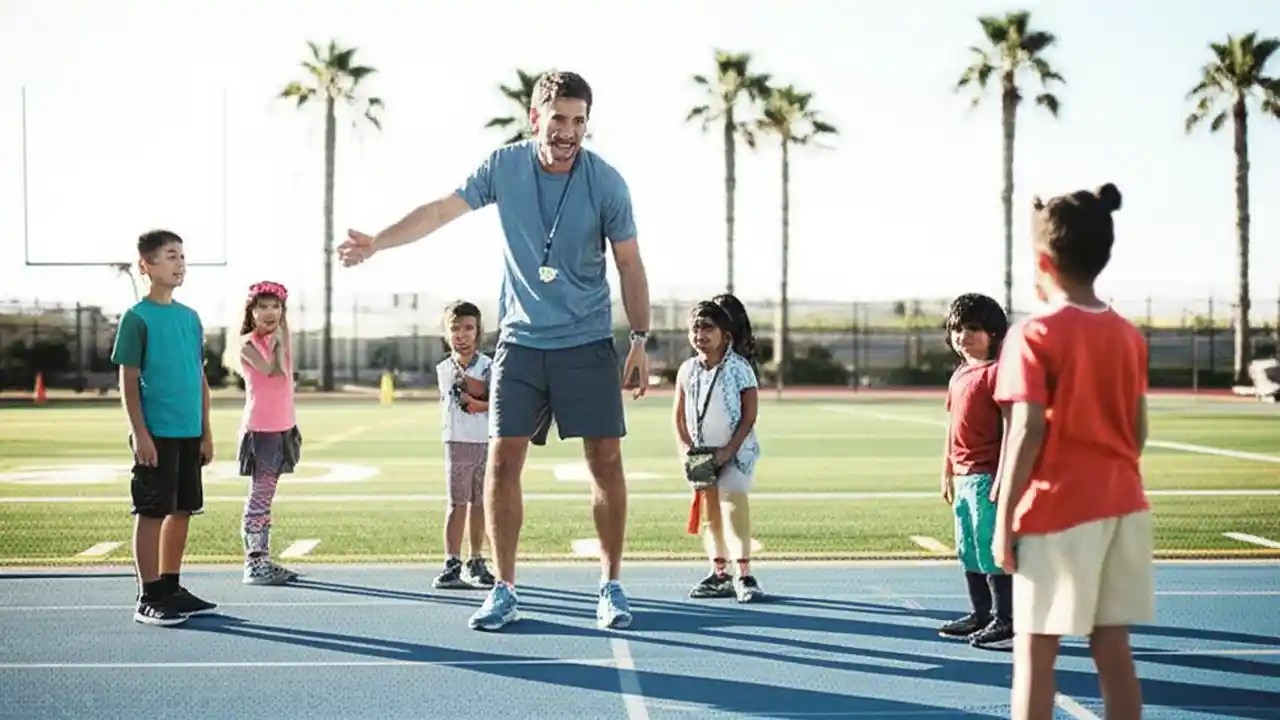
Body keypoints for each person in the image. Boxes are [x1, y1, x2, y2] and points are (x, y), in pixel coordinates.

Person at [337, 70, 651, 632]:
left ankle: (610, 586)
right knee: (502, 465)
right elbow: (439, 211)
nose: (568, 131)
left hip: (586, 344)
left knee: (605, 463)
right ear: (536, 117)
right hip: (522, 345)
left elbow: (629, 263)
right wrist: (379, 242)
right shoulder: (503, 167)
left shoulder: (608, 183)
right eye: (558, 119)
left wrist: (640, 340)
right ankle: (504, 589)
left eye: (579, 121)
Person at [993, 183, 1151, 720]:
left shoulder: (1033, 334)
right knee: (1114, 652)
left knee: (1036, 653)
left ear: (1042, 261)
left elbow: (1026, 430)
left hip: (1058, 507)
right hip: (1124, 505)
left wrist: (1003, 518)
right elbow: (1138, 429)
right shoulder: (1129, 335)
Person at [110, 229, 218, 626]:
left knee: (183, 508)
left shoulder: (190, 318)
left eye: (182, 257)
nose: (180, 264)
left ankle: (171, 586)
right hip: (157, 432)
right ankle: (148, 594)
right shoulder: (137, 318)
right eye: (171, 257)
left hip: (190, 431)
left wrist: (206, 430)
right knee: (153, 510)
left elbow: (198, 377)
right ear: (147, 265)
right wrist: (140, 432)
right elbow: (128, 379)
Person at [936, 293, 1013, 650]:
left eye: (973, 329)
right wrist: (946, 470)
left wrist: (1002, 475)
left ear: (994, 334)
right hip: (964, 477)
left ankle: (1005, 619)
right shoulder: (960, 375)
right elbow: (952, 426)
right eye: (957, 329)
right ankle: (980, 613)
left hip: (987, 475)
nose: (963, 336)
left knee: (989, 548)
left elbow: (1013, 427)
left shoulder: (999, 374)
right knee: (966, 547)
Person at [674, 296, 764, 602]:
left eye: (707, 328)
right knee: (710, 514)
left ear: (725, 335)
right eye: (695, 329)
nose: (700, 335)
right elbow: (679, 417)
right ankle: (719, 573)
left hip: (735, 453)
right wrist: (688, 449)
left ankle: (745, 575)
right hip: (700, 455)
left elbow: (750, 414)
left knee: (734, 508)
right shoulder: (687, 370)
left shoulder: (740, 369)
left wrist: (728, 451)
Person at [235, 281, 302, 586]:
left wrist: (281, 336)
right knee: (260, 495)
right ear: (251, 310)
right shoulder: (247, 343)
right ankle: (254, 562)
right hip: (261, 430)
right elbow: (273, 370)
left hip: (282, 427)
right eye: (263, 306)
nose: (270, 312)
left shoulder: (282, 338)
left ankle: (262, 558)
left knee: (267, 493)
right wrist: (276, 344)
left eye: (276, 306)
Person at [432, 300, 497, 590]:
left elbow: (491, 402)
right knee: (457, 503)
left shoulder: (489, 365)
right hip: (457, 440)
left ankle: (476, 560)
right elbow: (467, 399)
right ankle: (452, 562)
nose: (461, 334)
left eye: (468, 328)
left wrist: (481, 400)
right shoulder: (445, 368)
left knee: (480, 502)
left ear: (478, 331)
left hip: (484, 440)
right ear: (447, 333)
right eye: (455, 328)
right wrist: (481, 400)